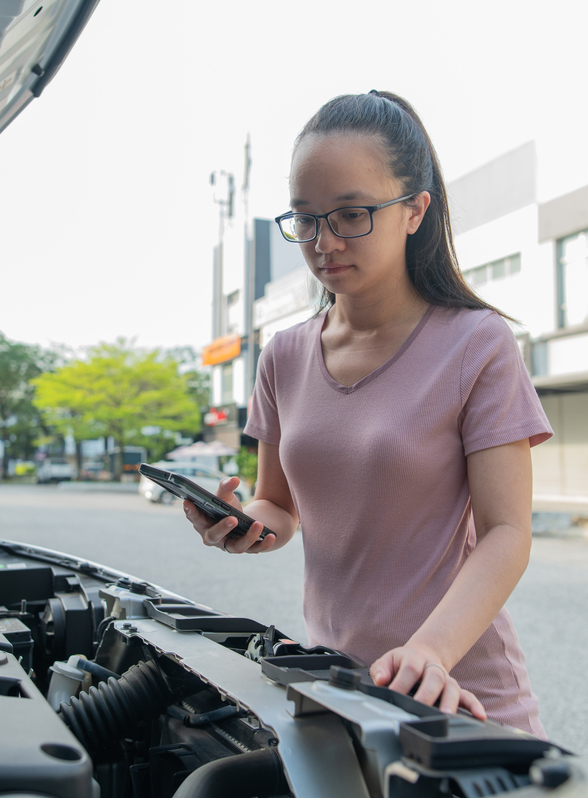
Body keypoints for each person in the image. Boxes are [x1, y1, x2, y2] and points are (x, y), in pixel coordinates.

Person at [182, 90, 554, 738]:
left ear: (415, 210)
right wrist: (240, 524)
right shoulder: (284, 356)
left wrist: (431, 651)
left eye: (351, 214)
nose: (323, 242)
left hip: (458, 695)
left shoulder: (476, 343)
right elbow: (281, 508)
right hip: (336, 688)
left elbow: (506, 534)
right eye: (305, 218)